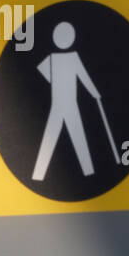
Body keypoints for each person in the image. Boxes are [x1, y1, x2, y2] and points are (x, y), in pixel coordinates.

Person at [32, 21, 101, 180]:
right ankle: (89, 172)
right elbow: (84, 78)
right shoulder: (73, 58)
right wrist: (94, 93)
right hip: (68, 104)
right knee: (77, 137)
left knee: (56, 138)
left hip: (60, 104)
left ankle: (38, 174)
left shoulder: (53, 58)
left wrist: (55, 81)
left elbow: (42, 68)